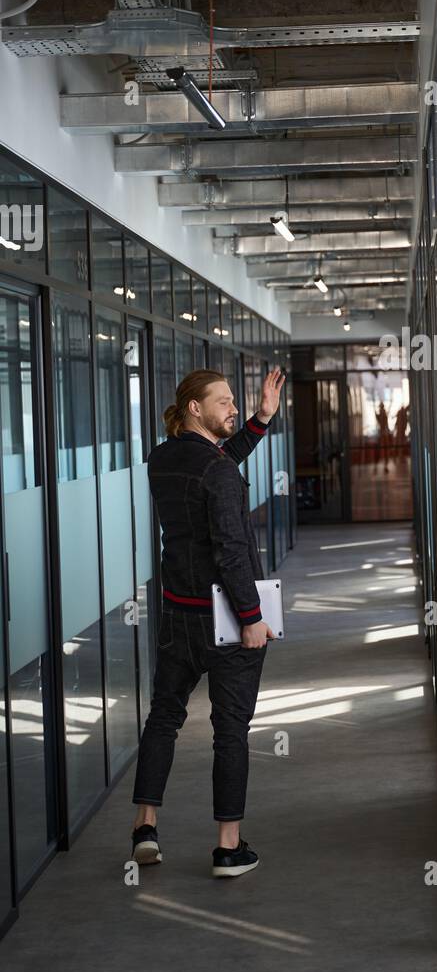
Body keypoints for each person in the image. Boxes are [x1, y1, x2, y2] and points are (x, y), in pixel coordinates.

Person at [129, 366, 286, 878]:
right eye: (224, 402)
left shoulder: (163, 457)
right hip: (224, 620)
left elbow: (217, 462)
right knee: (230, 730)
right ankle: (227, 847)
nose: (233, 408)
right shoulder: (214, 469)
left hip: (178, 614)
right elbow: (232, 550)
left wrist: (262, 420)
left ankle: (145, 827)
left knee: (164, 717)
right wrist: (253, 618)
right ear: (196, 408)